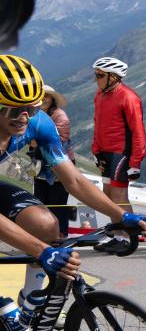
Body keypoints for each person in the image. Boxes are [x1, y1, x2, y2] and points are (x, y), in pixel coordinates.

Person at [0, 55, 146, 331]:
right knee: (38, 246)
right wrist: (41, 253)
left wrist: (122, 216)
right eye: (14, 111)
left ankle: (30, 299)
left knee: (47, 225)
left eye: (31, 109)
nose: (24, 118)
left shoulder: (37, 122)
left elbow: (74, 181)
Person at [91, 56, 146, 252]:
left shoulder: (129, 97)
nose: (96, 79)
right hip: (105, 153)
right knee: (107, 196)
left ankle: (127, 237)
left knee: (119, 196)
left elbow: (138, 131)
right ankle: (116, 234)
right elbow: (98, 124)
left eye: (100, 75)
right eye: (96, 74)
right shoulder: (100, 94)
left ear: (113, 77)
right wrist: (96, 150)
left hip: (121, 153)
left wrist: (135, 162)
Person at [30, 85, 74, 238]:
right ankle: (44, 234)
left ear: (52, 99)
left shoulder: (60, 116)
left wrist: (36, 141)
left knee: (58, 203)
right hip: (40, 164)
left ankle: (61, 235)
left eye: (46, 96)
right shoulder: (34, 114)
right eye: (40, 96)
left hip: (59, 164)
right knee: (40, 200)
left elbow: (60, 141)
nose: (43, 99)